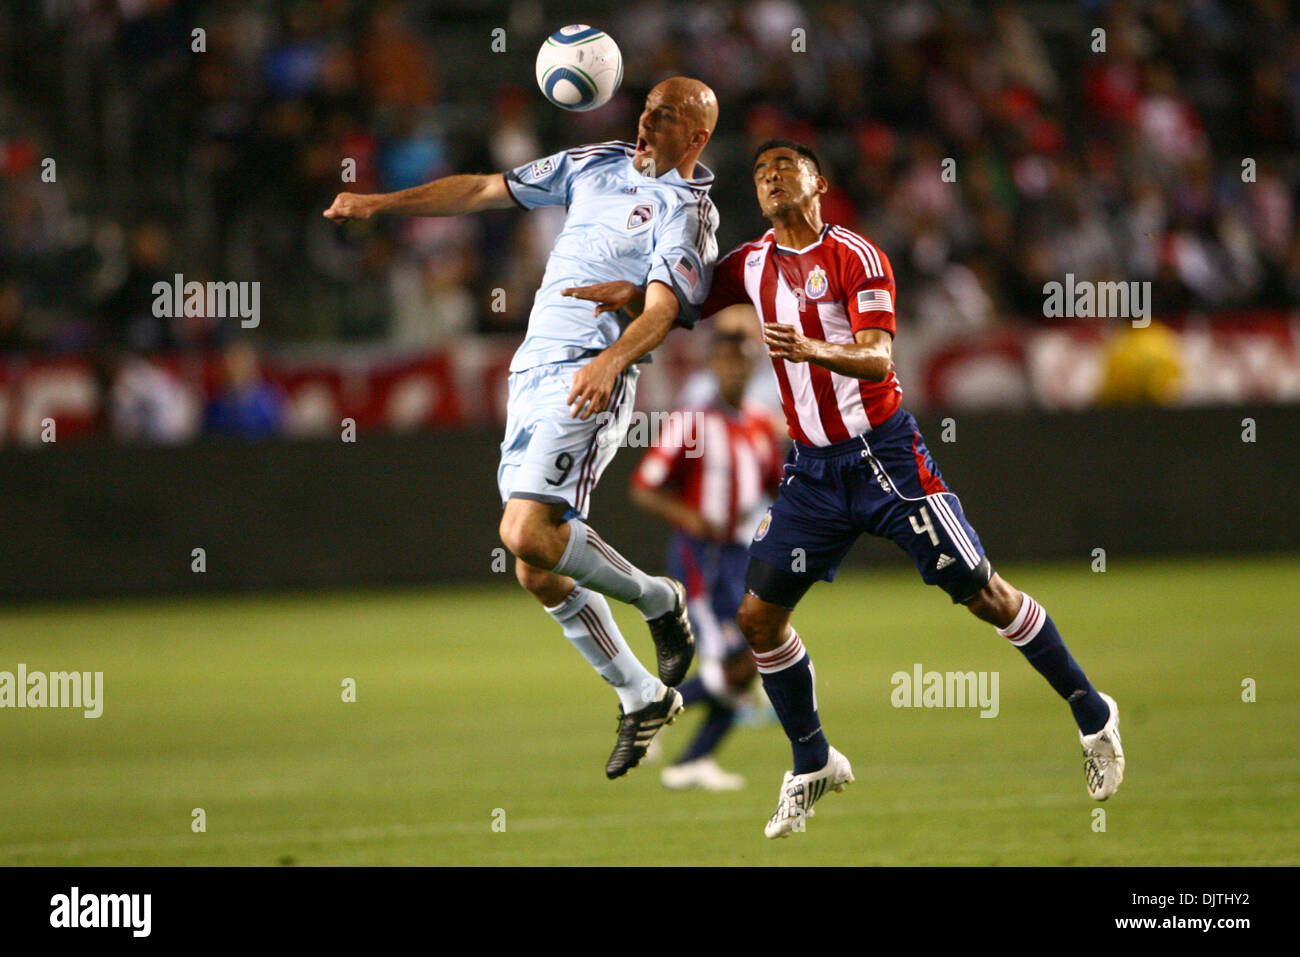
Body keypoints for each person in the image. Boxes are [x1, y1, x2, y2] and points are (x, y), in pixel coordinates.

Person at [565, 139, 1125, 838]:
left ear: (818, 182)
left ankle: (1092, 711)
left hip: (884, 459)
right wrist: (634, 297)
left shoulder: (856, 257)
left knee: (985, 593)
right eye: (762, 171)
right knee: (757, 619)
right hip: (811, 473)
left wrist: (812, 348)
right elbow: (681, 302)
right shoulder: (749, 264)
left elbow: (877, 354)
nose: (770, 177)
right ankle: (813, 759)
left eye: (785, 167)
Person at [325, 77, 720, 779]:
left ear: (695, 138)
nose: (645, 123)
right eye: (646, 110)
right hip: (531, 370)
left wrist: (613, 357)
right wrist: (383, 203)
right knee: (535, 568)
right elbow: (482, 191)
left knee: (523, 529)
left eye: (665, 119)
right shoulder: (596, 162)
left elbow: (663, 308)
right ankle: (641, 692)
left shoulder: (687, 211)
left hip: (590, 373)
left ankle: (660, 599)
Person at [629, 325, 783, 790]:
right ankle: (649, 711)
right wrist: (691, 518)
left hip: (740, 556)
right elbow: (645, 485)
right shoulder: (693, 422)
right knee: (738, 663)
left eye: (744, 360)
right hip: (703, 558)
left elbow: (777, 487)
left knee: (752, 659)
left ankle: (689, 758)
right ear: (713, 365)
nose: (736, 368)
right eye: (727, 359)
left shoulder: (759, 424)